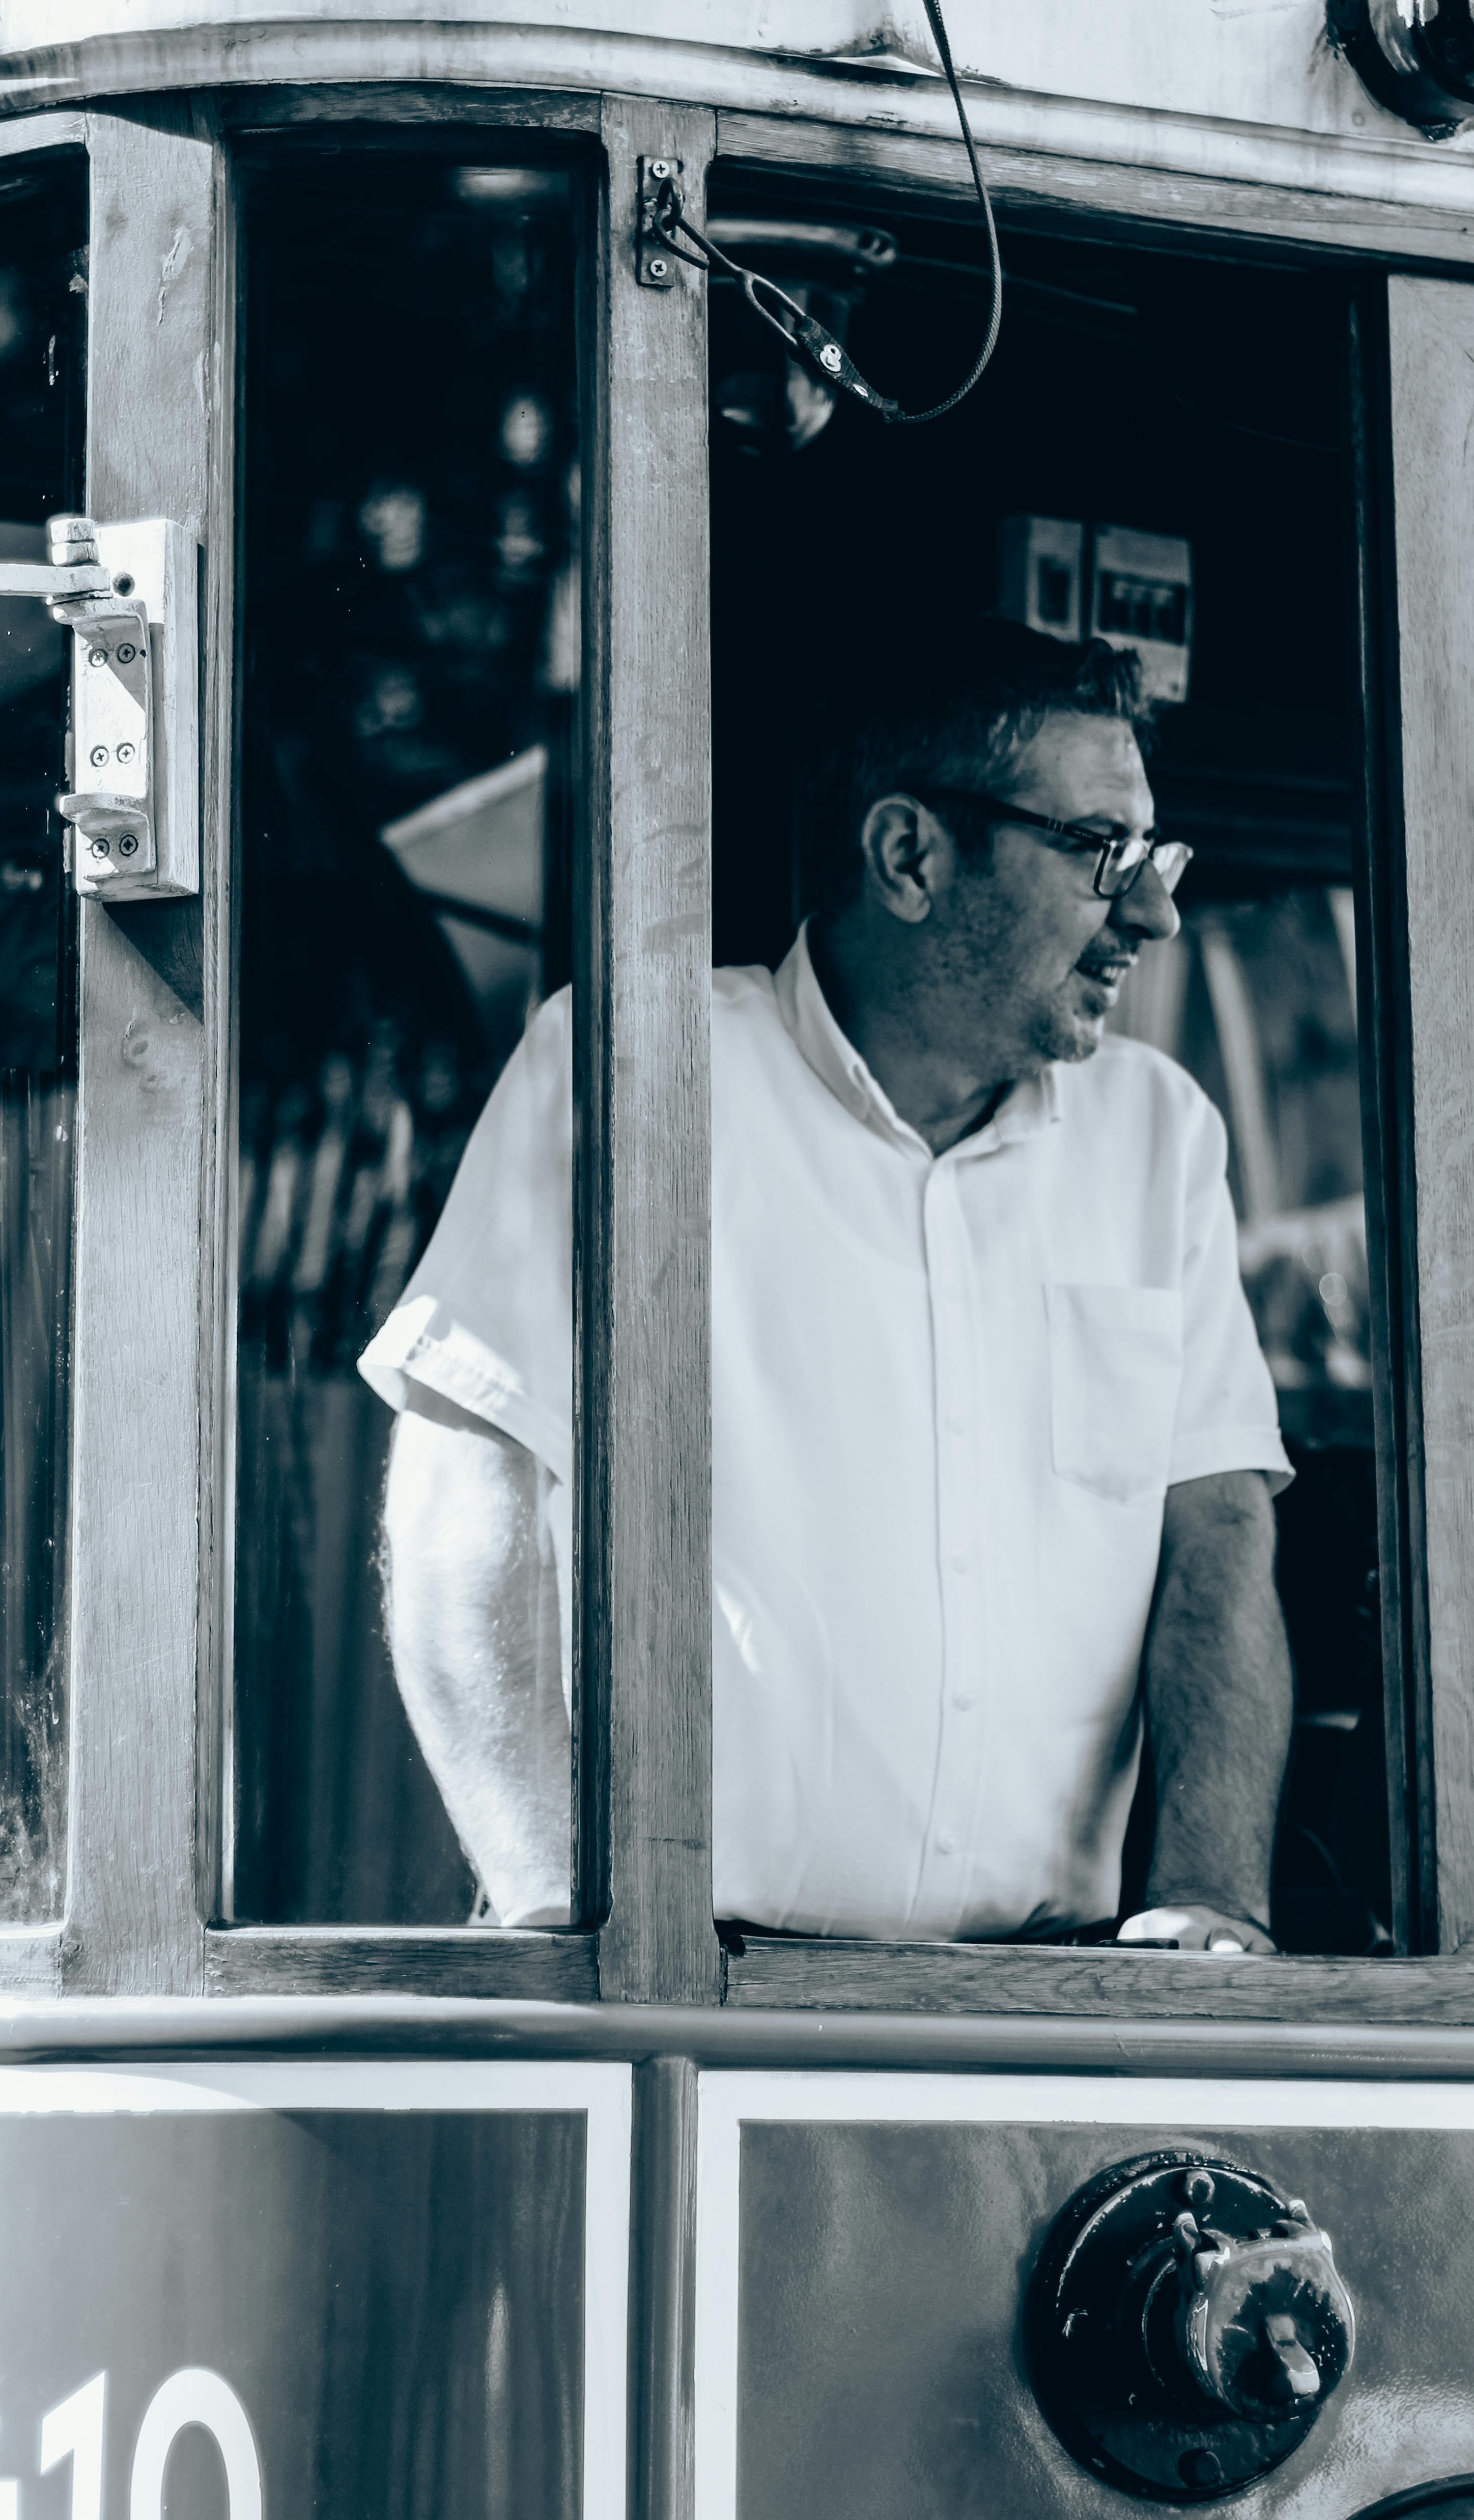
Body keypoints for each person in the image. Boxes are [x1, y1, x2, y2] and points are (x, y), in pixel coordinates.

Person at [360, 623, 1294, 1952]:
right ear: (909, 856)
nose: (1153, 912)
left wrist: (1210, 1905)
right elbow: (474, 1470)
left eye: (1154, 859)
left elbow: (1217, 1536)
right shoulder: (634, 1075)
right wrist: (555, 1912)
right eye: (1101, 854)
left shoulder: (1164, 1139)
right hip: (696, 1988)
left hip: (1052, 2009)